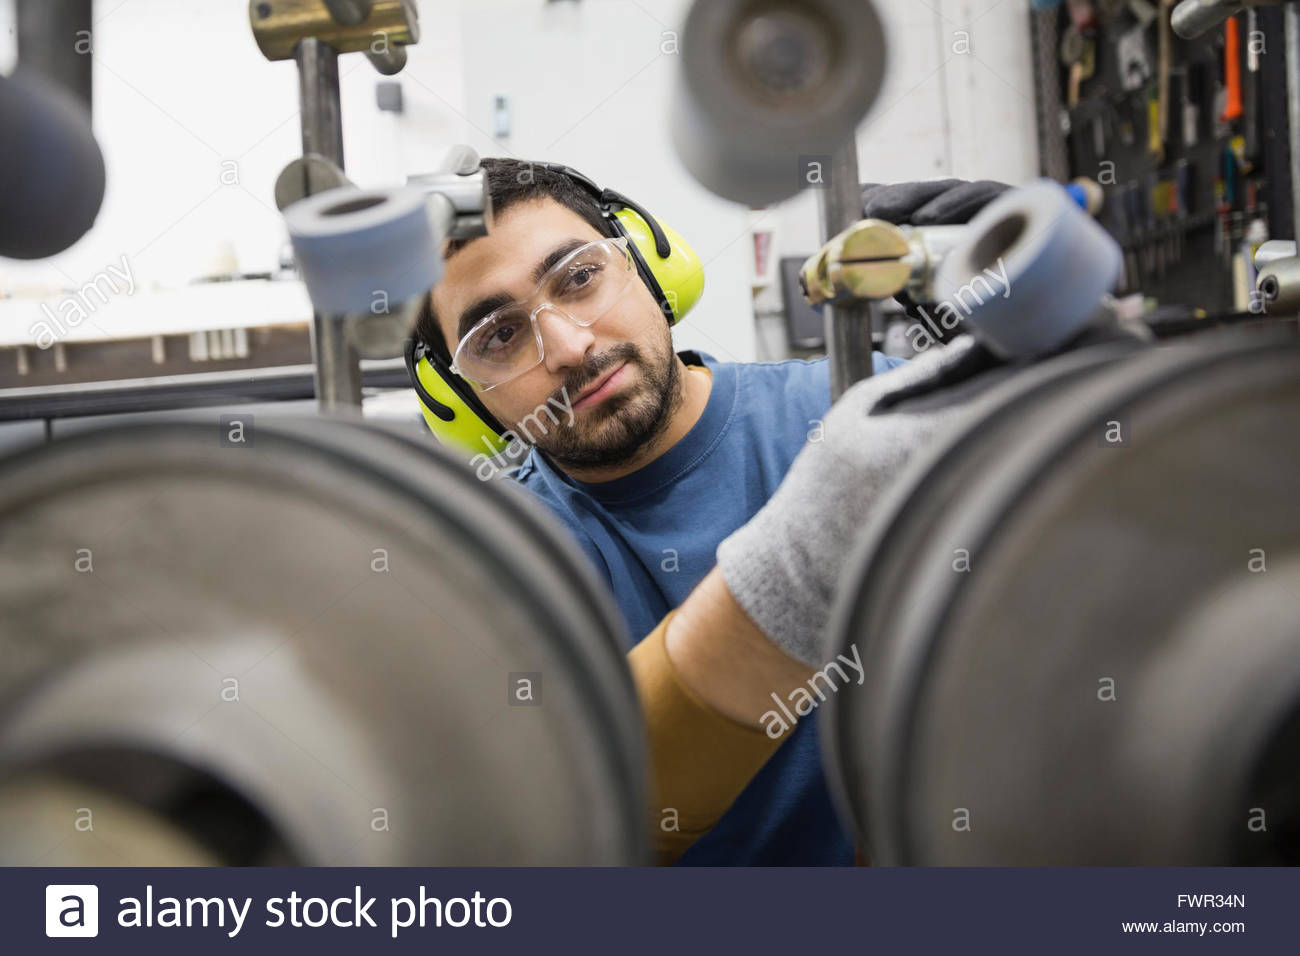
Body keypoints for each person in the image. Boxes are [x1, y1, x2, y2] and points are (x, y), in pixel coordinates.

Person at [408, 159, 1007, 864]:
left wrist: (1062, 369)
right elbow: (559, 839)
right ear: (457, 398)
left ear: (650, 265)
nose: (570, 347)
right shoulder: (493, 567)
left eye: (579, 277)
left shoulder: (859, 404)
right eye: (500, 336)